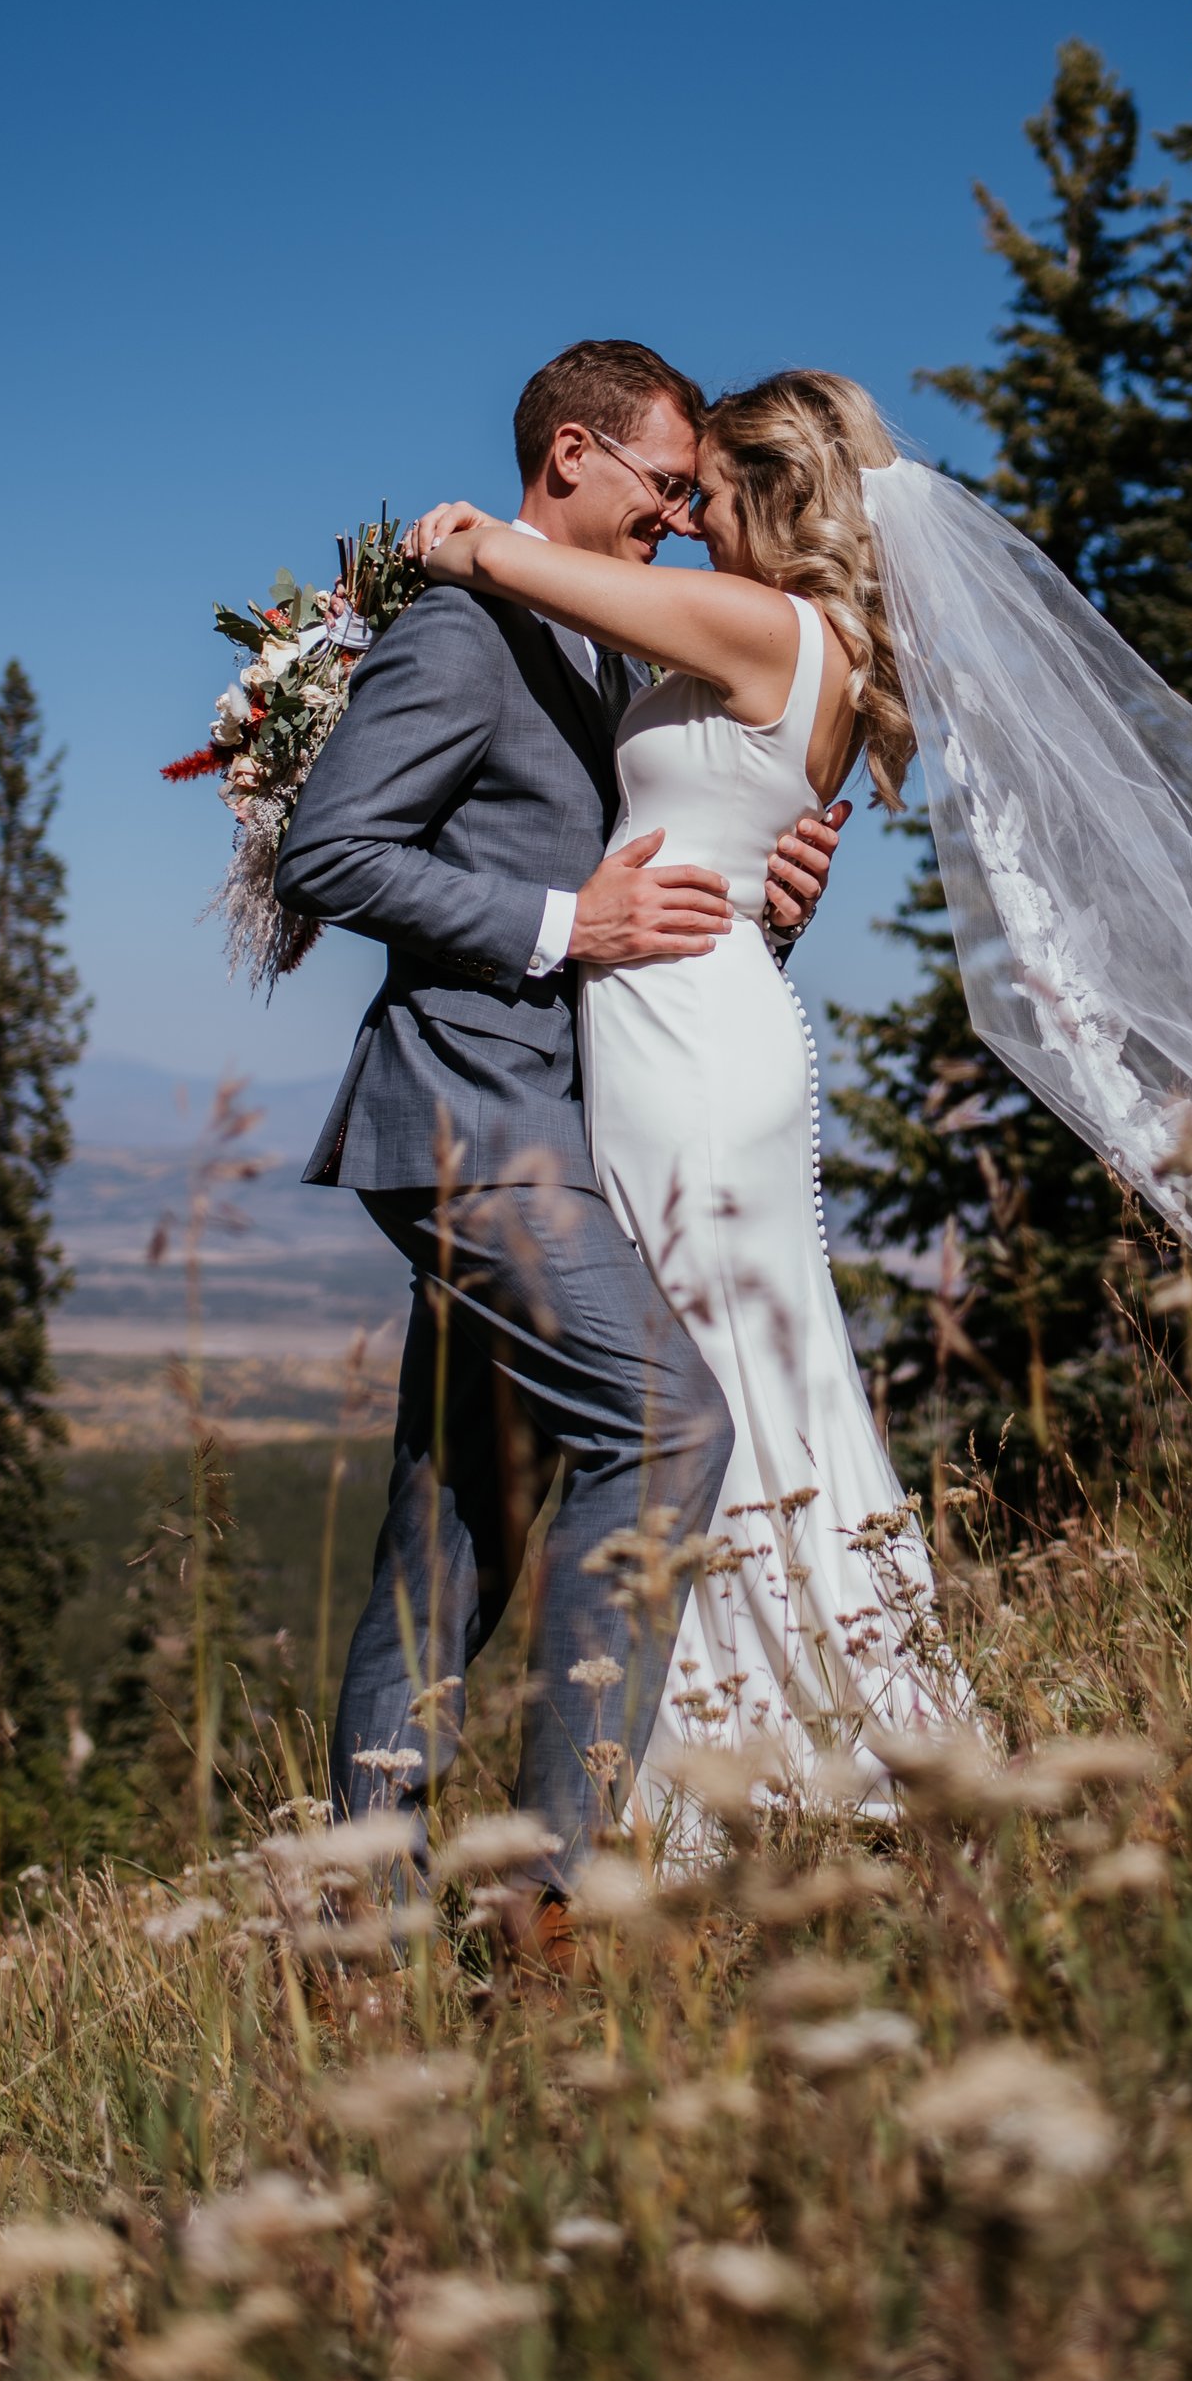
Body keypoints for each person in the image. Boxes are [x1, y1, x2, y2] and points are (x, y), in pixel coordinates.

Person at [273, 339, 846, 1897]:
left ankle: (358, 1912)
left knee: (459, 1519)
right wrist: (556, 923)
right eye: (663, 487)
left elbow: (657, 888)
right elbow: (329, 851)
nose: (674, 519)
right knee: (671, 1422)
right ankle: (551, 1896)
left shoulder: (600, 649)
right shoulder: (463, 632)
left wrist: (759, 903)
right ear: (571, 455)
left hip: (569, 1120)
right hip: (469, 1112)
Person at [406, 369, 965, 1799]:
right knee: (749, 1382)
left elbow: (514, 558)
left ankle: (742, 1775)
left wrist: (449, 542)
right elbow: (731, 847)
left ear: (774, 500)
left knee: (698, 1397)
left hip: (692, 1052)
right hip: (702, 1014)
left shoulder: (767, 621)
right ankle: (800, 1739)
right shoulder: (807, 644)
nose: (687, 519)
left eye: (705, 495)